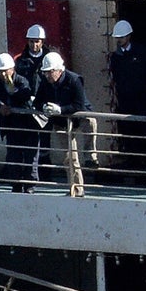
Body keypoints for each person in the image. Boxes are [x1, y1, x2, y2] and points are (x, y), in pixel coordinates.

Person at [35, 51, 97, 197]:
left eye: (50, 72)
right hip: (61, 123)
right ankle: (76, 189)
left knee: (91, 121)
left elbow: (79, 105)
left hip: (77, 116)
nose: (47, 75)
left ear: (58, 70)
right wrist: (44, 107)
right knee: (70, 157)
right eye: (46, 73)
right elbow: (38, 101)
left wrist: (60, 109)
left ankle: (90, 155)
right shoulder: (46, 82)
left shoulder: (74, 80)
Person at [108, 19, 146, 165]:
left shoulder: (142, 52)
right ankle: (133, 161)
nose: (119, 40)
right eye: (118, 37)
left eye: (122, 37)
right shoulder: (116, 57)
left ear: (129, 36)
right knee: (129, 133)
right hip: (126, 102)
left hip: (143, 101)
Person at [0, 53, 37, 192]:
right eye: (0, 71)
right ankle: (15, 184)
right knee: (14, 156)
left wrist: (12, 89)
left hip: (27, 125)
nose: (2, 74)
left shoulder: (22, 81)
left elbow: (25, 95)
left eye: (5, 70)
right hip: (11, 126)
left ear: (12, 69)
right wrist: (0, 105)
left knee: (30, 156)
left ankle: (29, 185)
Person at [15, 25, 50, 182]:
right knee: (28, 140)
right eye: (31, 42)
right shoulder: (20, 60)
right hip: (26, 105)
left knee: (45, 139)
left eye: (37, 42)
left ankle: (45, 172)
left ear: (42, 42)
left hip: (45, 104)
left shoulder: (49, 58)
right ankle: (28, 173)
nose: (34, 45)